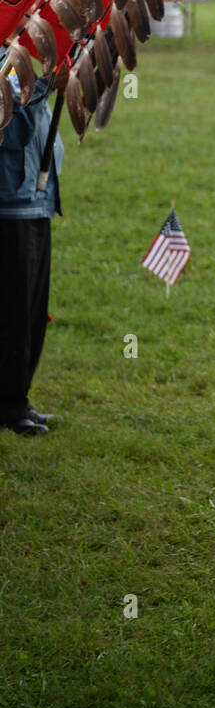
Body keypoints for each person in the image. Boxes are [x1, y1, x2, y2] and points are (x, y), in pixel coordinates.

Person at [0, 59, 63, 436]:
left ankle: (18, 397)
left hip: (35, 201)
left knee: (32, 311)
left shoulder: (16, 51)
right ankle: (8, 404)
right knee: (13, 311)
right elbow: (12, 127)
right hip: (11, 204)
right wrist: (45, 85)